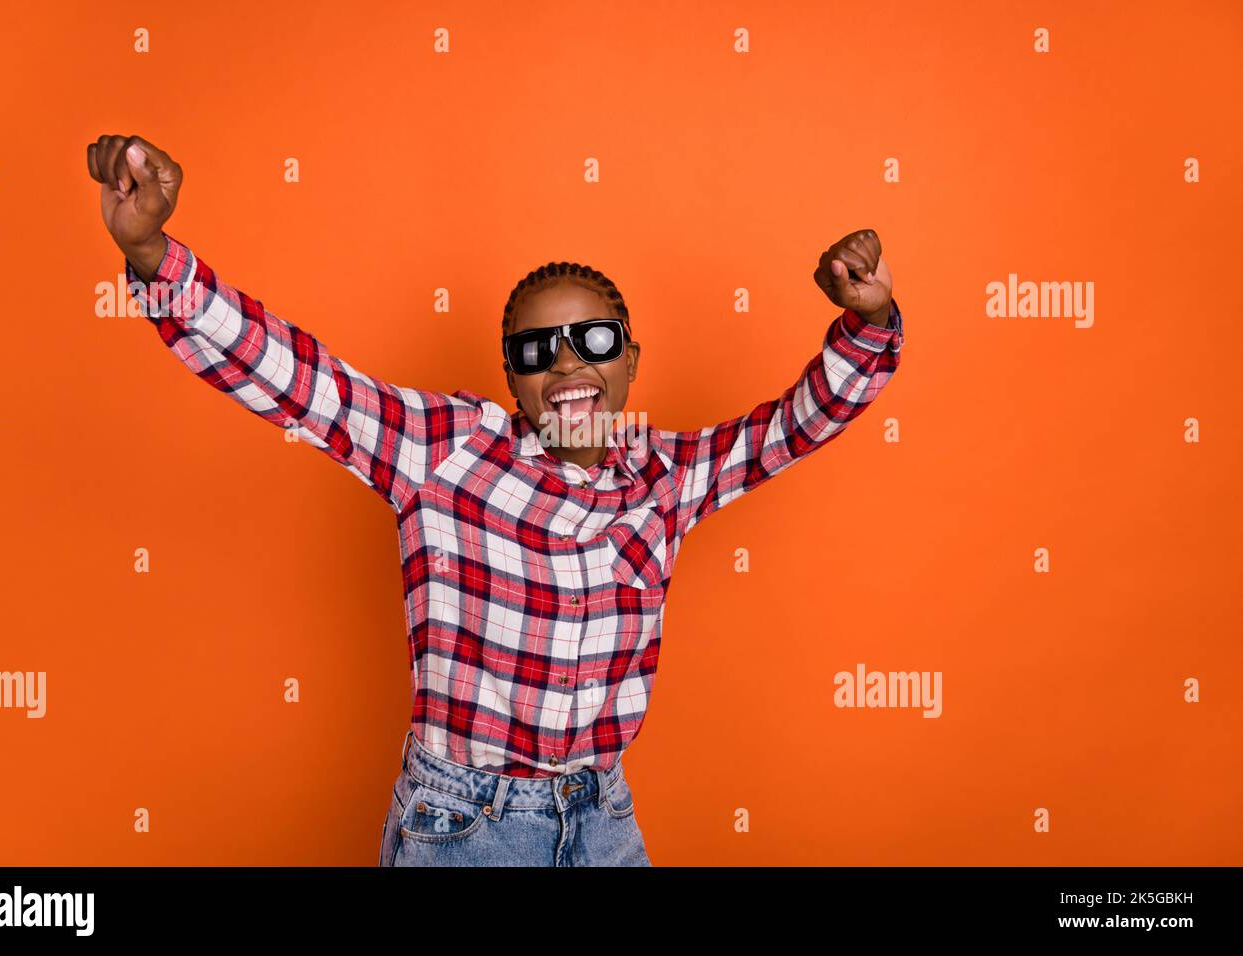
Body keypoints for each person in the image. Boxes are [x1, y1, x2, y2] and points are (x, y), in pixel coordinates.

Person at [86, 133, 905, 867]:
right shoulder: (444, 450)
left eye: (594, 340)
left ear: (630, 360)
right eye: (536, 350)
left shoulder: (667, 476)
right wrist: (156, 255)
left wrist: (867, 322)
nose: (568, 365)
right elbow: (300, 381)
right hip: (463, 826)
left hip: (602, 814)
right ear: (511, 377)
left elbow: (791, 430)